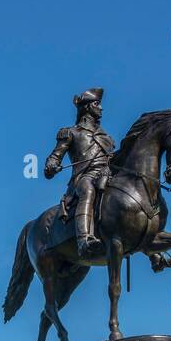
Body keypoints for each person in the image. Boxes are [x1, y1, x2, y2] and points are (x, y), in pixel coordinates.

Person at [44, 87, 114, 256]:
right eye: (97, 104)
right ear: (88, 107)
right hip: (84, 177)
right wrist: (52, 166)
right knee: (88, 190)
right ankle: (84, 240)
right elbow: (54, 157)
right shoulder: (71, 133)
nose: (101, 108)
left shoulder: (107, 138)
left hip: (107, 175)